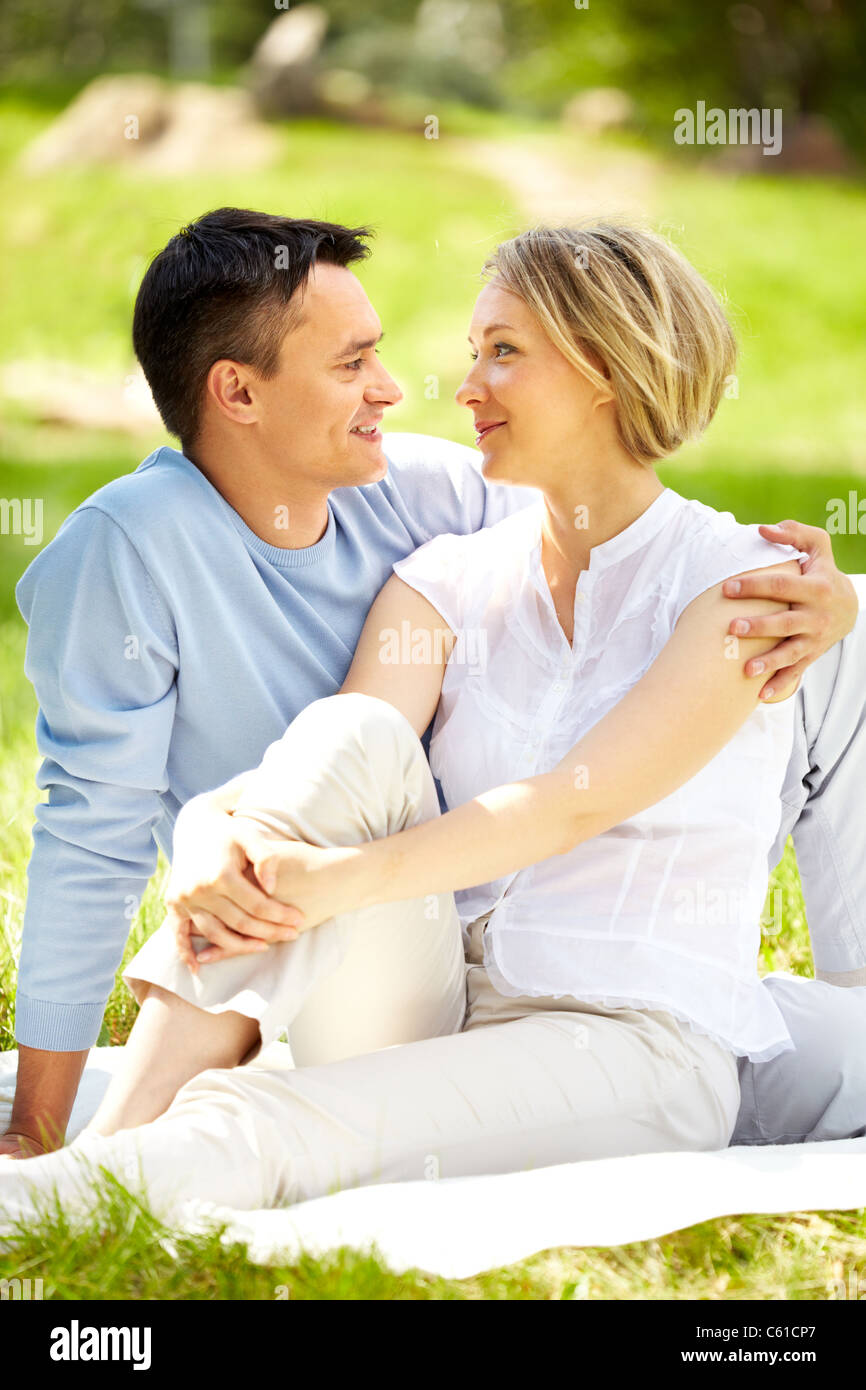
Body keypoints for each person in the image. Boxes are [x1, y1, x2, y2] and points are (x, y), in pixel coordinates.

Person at [2, 223, 864, 1229]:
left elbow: (559, 807)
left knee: (278, 1120)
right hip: (430, 999)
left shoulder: (735, 591)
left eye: (501, 351)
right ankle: (107, 1152)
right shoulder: (445, 571)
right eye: (471, 352)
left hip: (631, 1039)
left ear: (603, 366)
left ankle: (56, 1201)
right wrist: (211, 838)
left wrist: (843, 593)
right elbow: (332, 748)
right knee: (355, 743)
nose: (454, 389)